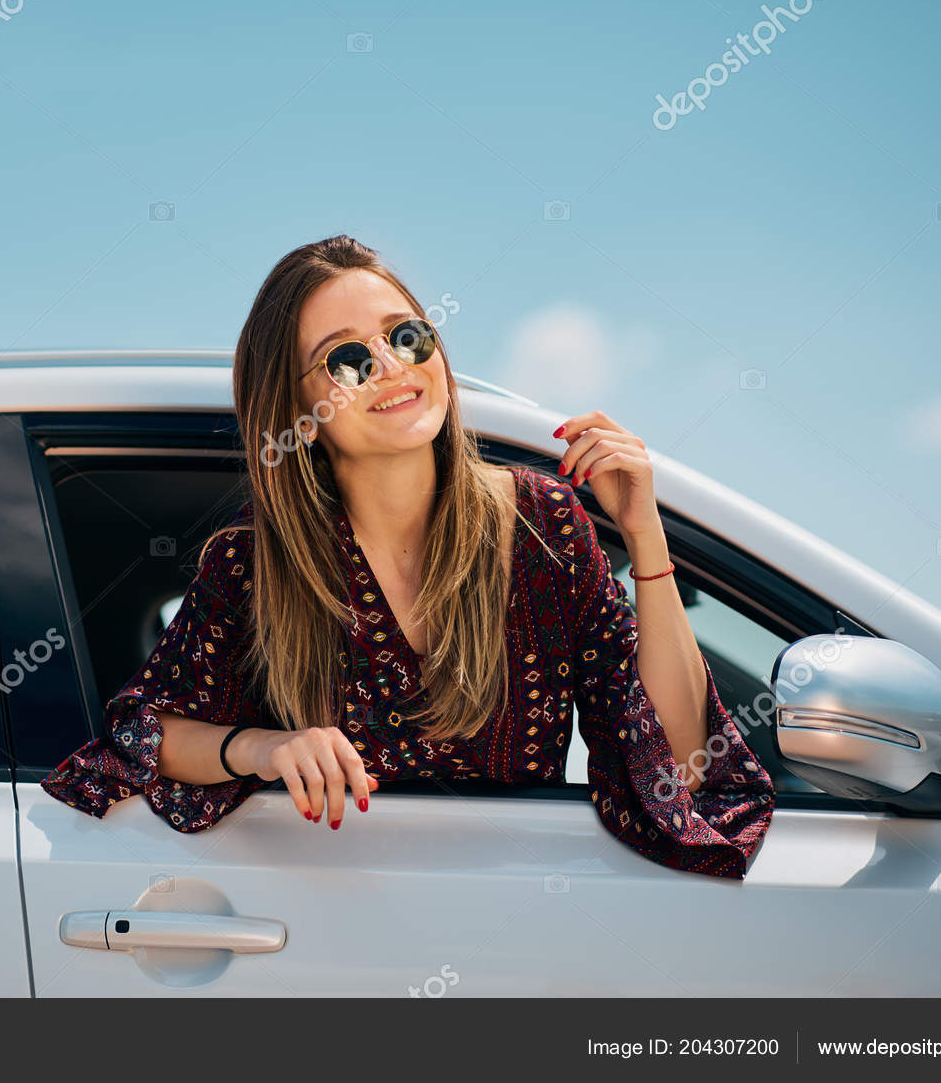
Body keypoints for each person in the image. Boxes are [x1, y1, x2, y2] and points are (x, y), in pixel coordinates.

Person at [42, 234, 774, 878]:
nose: (393, 366)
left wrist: (645, 538)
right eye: (348, 359)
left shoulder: (543, 524)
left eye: (408, 336)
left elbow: (678, 766)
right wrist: (265, 749)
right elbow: (145, 734)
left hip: (524, 918)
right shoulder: (257, 559)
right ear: (297, 412)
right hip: (330, 927)